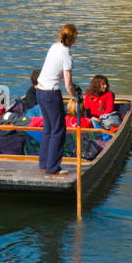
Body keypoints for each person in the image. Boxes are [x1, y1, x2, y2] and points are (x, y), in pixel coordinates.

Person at [35, 23, 78, 176]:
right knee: (58, 131)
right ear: (73, 38)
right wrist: (76, 97)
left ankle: (44, 162)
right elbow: (68, 84)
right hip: (51, 94)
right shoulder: (66, 55)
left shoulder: (54, 47)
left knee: (48, 128)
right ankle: (53, 168)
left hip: (39, 91)